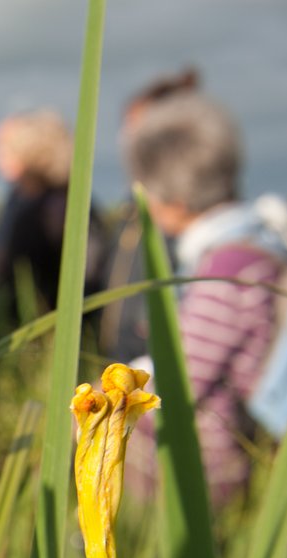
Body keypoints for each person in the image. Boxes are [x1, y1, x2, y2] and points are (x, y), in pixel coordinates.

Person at [124, 92, 284, 503]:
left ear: (174, 202)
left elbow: (183, 382)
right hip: (230, 440)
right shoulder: (260, 240)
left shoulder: (225, 269)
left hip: (208, 460)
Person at [99, 67, 203, 359]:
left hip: (158, 367)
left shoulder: (185, 211)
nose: (126, 139)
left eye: (137, 128)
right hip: (120, 361)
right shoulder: (132, 206)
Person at [0, 109, 100, 337]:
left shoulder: (59, 208)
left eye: (7, 151)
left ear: (34, 154)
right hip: (20, 331)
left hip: (48, 335)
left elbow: (85, 278)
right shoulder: (23, 198)